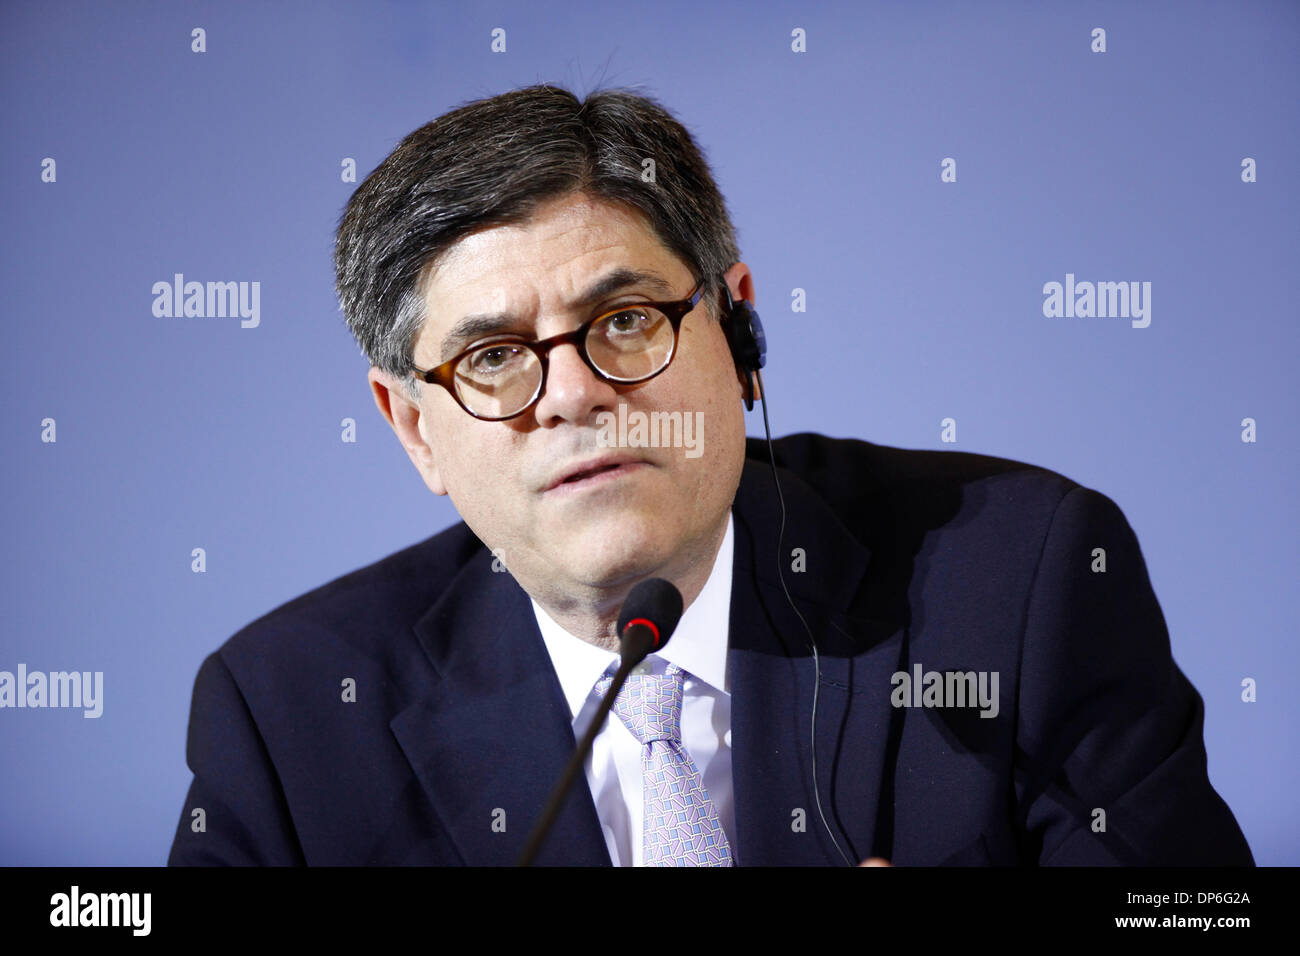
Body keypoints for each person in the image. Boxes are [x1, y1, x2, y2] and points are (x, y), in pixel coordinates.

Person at [168, 84, 1253, 866]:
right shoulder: (292, 717)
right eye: (494, 356)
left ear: (735, 335)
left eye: (626, 319)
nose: (574, 392)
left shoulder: (1017, 580)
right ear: (413, 428)